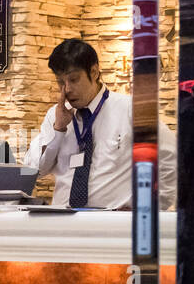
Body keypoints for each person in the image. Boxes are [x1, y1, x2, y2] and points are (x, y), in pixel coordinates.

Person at [24, 38, 176, 209]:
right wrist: (58, 130)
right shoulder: (56, 116)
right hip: (63, 224)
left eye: (74, 80)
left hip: (112, 225)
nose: (66, 89)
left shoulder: (130, 110)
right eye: (60, 82)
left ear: (94, 72)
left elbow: (170, 158)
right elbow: (33, 171)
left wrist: (148, 207)